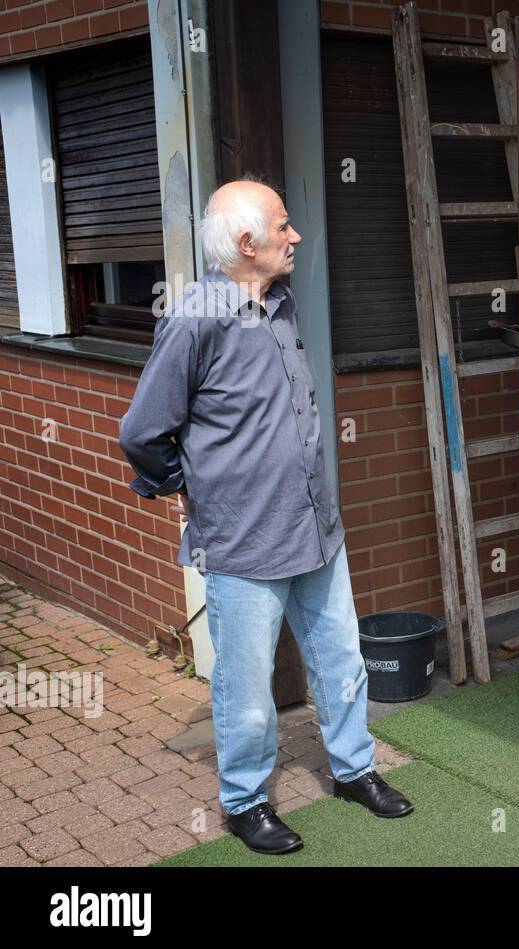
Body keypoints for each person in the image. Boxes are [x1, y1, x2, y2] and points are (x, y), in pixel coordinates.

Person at [119, 180, 413, 856]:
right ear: (247, 242)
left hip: (315, 528)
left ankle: (354, 769)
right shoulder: (196, 316)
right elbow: (141, 430)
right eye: (284, 225)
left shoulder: (277, 304)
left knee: (342, 659)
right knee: (246, 687)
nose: (295, 236)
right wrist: (191, 487)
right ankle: (245, 802)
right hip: (244, 541)